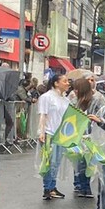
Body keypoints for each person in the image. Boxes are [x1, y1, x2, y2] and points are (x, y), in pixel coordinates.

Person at [38, 71, 72, 199]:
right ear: (56, 83)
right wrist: (41, 132)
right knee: (49, 161)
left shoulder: (65, 99)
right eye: (65, 81)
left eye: (68, 81)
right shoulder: (47, 97)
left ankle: (52, 186)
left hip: (60, 135)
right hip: (49, 133)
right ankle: (47, 187)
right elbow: (43, 115)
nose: (67, 84)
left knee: (56, 162)